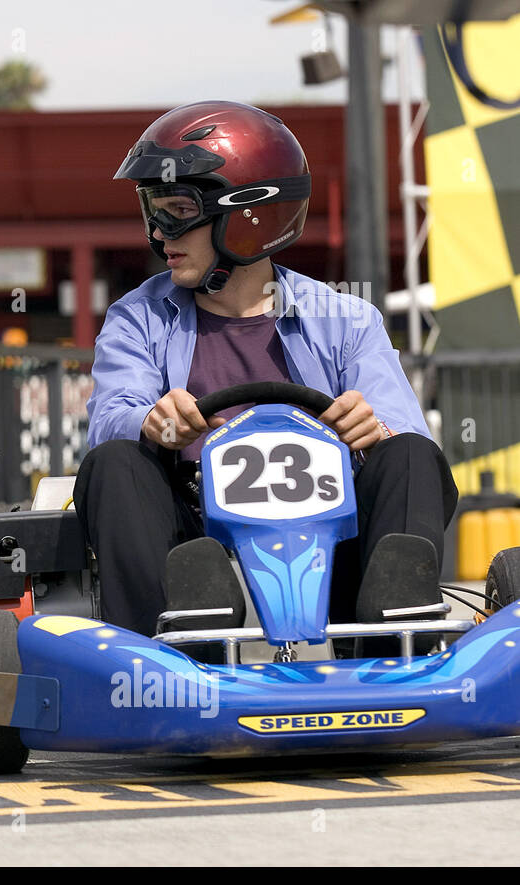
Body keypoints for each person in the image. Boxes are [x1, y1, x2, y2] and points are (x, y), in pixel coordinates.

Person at [74, 102, 457, 636]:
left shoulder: (345, 319)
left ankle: (397, 632)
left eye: (178, 212)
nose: (160, 235)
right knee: (114, 462)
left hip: (334, 540)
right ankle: (167, 653)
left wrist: (374, 431)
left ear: (252, 215)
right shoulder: (137, 317)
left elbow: (402, 432)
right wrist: (152, 422)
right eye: (153, 212)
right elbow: (111, 415)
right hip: (193, 547)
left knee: (412, 454)